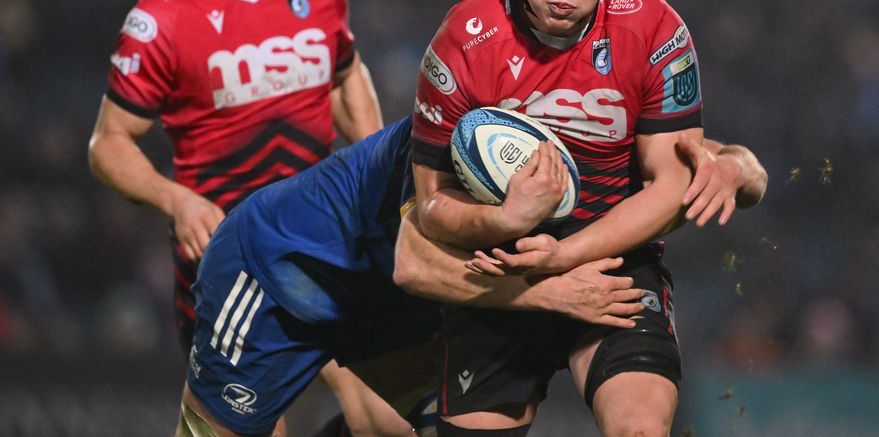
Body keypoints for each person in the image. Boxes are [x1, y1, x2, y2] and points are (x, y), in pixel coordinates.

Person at [403, 0, 768, 437]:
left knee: (641, 429)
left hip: (615, 260)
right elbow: (430, 207)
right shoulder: (463, 40)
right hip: (500, 269)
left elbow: (667, 188)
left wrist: (564, 256)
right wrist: (506, 225)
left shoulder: (655, 30)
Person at [86, 0, 396, 437]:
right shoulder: (162, 19)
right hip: (231, 260)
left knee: (386, 418)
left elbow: (346, 74)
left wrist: (379, 171)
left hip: (326, 239)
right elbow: (108, 143)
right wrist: (175, 200)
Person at [175, 115, 653, 437]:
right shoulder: (446, 129)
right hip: (274, 273)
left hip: (377, 298)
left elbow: (669, 151)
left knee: (424, 426)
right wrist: (553, 294)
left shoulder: (565, 128)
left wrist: (728, 163)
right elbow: (414, 265)